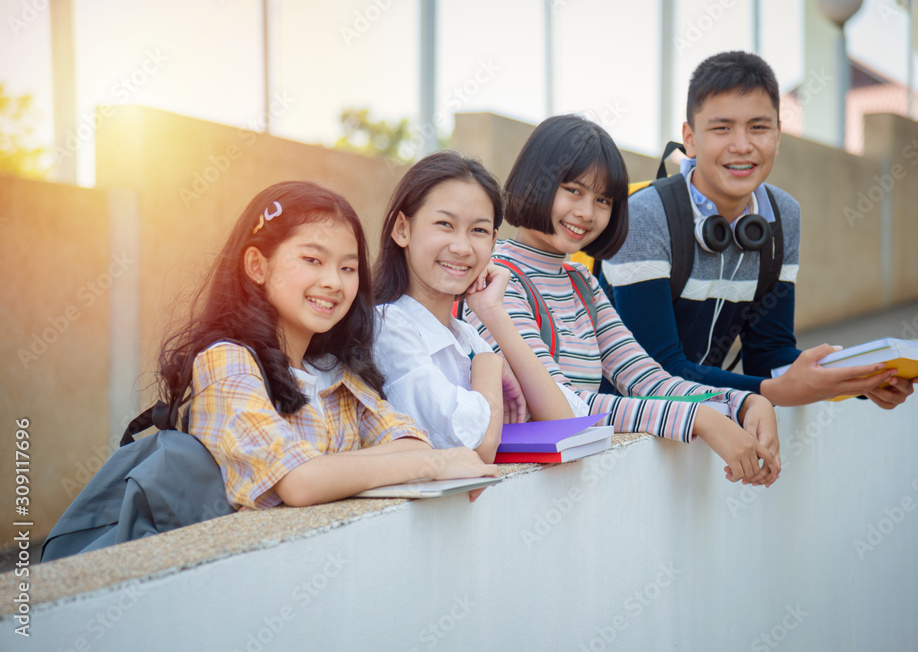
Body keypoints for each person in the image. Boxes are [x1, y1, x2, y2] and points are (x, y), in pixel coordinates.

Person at [601, 50, 918, 409]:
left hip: (704, 419)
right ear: (690, 138)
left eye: (758, 127)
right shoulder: (644, 216)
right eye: (722, 127)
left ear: (778, 135)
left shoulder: (782, 214)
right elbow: (656, 373)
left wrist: (859, 380)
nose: (742, 145)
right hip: (618, 427)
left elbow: (768, 356)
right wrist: (770, 394)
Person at [467, 114, 780, 486]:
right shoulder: (493, 281)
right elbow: (565, 406)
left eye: (603, 199)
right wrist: (696, 417)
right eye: (573, 190)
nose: (586, 213)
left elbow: (646, 378)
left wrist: (740, 402)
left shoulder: (580, 281)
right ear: (536, 180)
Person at [157, 180, 497, 510]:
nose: (333, 282)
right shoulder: (226, 363)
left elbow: (412, 442)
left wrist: (333, 470)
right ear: (257, 266)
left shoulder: (338, 373)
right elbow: (299, 482)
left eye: (348, 267)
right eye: (312, 260)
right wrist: (436, 464)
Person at [372, 151, 586, 464]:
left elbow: (566, 425)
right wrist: (491, 365)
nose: (461, 247)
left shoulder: (466, 335)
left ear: (494, 241)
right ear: (402, 228)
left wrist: (494, 313)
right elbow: (475, 444)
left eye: (479, 231)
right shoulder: (385, 325)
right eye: (445, 224)